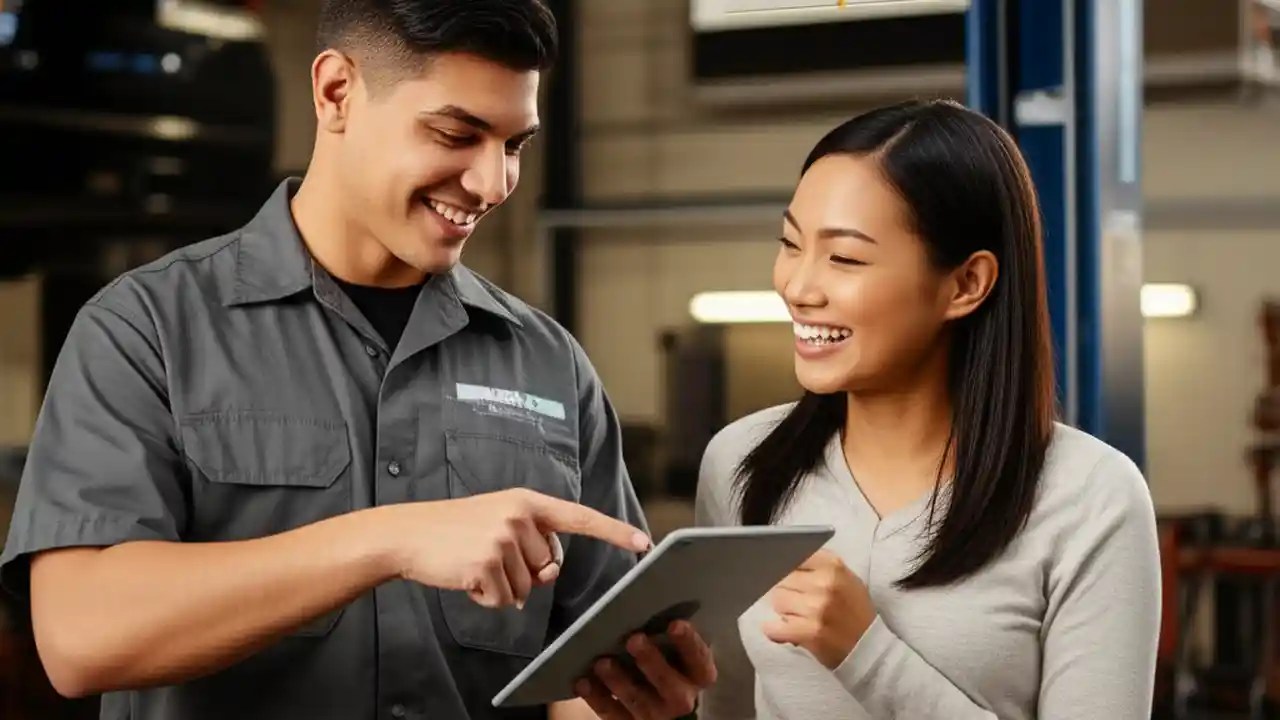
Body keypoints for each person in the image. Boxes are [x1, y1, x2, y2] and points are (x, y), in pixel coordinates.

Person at [0, 2, 714, 718]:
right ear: (336, 91)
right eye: (456, 133)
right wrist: (389, 539)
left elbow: (581, 672)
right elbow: (80, 638)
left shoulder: (548, 364)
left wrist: (635, 697)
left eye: (514, 145)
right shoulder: (146, 330)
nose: (492, 184)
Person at [693, 99, 1161, 719]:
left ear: (966, 284)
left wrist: (868, 657)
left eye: (846, 258)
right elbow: (721, 707)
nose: (799, 287)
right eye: (791, 244)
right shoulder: (743, 463)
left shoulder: (1090, 497)